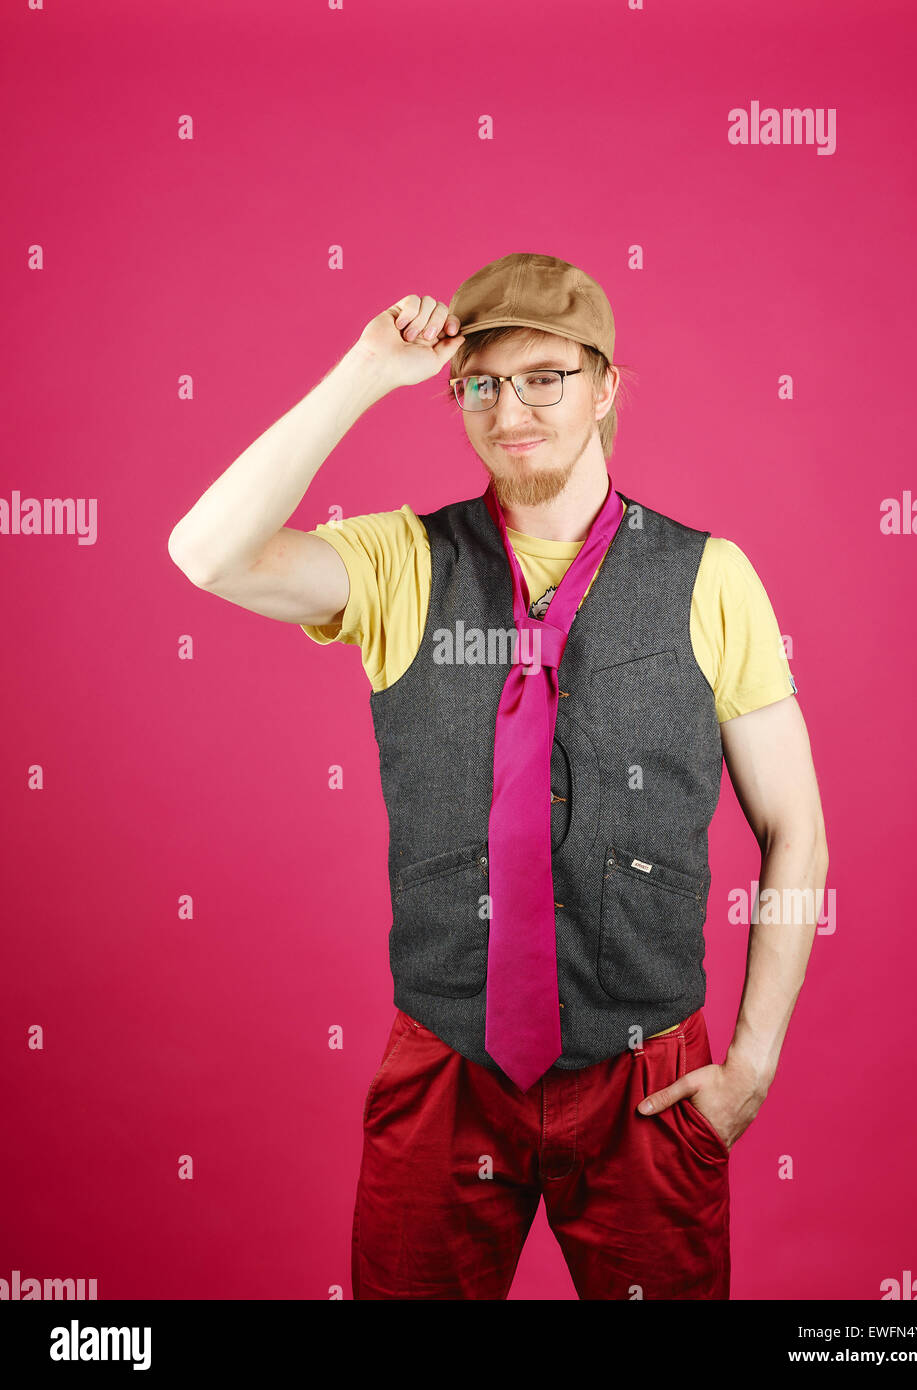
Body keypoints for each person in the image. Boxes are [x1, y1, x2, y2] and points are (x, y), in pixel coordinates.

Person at [168, 252, 829, 1301]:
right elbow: (205, 553)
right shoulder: (399, 563)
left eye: (543, 378)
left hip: (644, 1079)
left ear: (605, 385)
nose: (509, 409)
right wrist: (361, 369)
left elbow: (795, 827)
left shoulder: (711, 576)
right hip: (446, 1071)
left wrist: (751, 1063)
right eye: (480, 382)